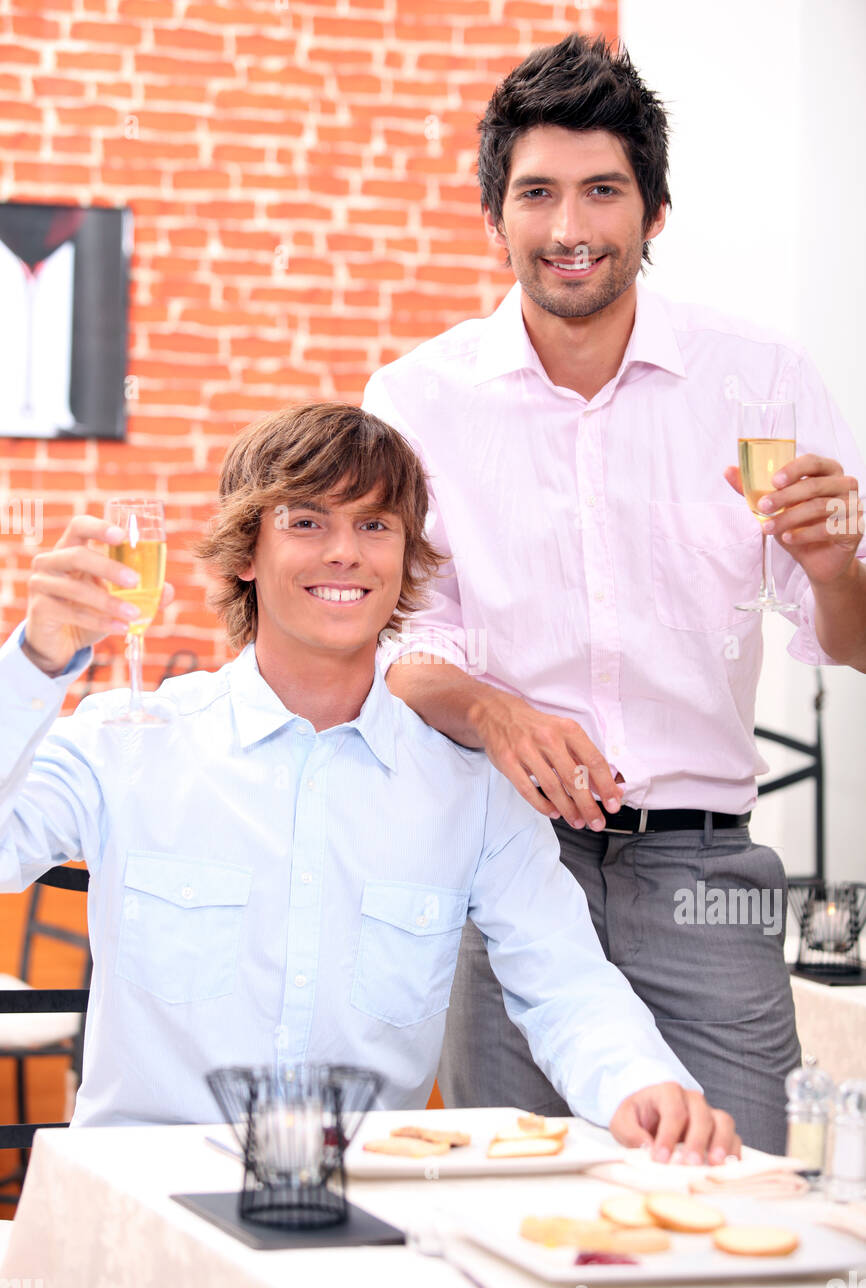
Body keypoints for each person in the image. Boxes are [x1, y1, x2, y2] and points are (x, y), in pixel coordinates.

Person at [362, 34, 866, 1153]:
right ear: (493, 215)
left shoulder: (760, 381)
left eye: (603, 190)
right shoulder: (416, 398)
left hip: (705, 871)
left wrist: (835, 570)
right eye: (536, 193)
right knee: (510, 1197)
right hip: (508, 854)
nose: (570, 228)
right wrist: (491, 710)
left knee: (752, 1197)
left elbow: (850, 638)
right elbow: (394, 647)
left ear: (654, 210)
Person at [0, 402, 738, 1160]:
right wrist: (33, 662)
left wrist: (643, 1088)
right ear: (246, 553)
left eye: (376, 525)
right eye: (308, 522)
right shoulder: (126, 745)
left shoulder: (470, 791)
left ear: (407, 559)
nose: (345, 552)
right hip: (146, 1200)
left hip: (357, 1212)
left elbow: (564, 981)